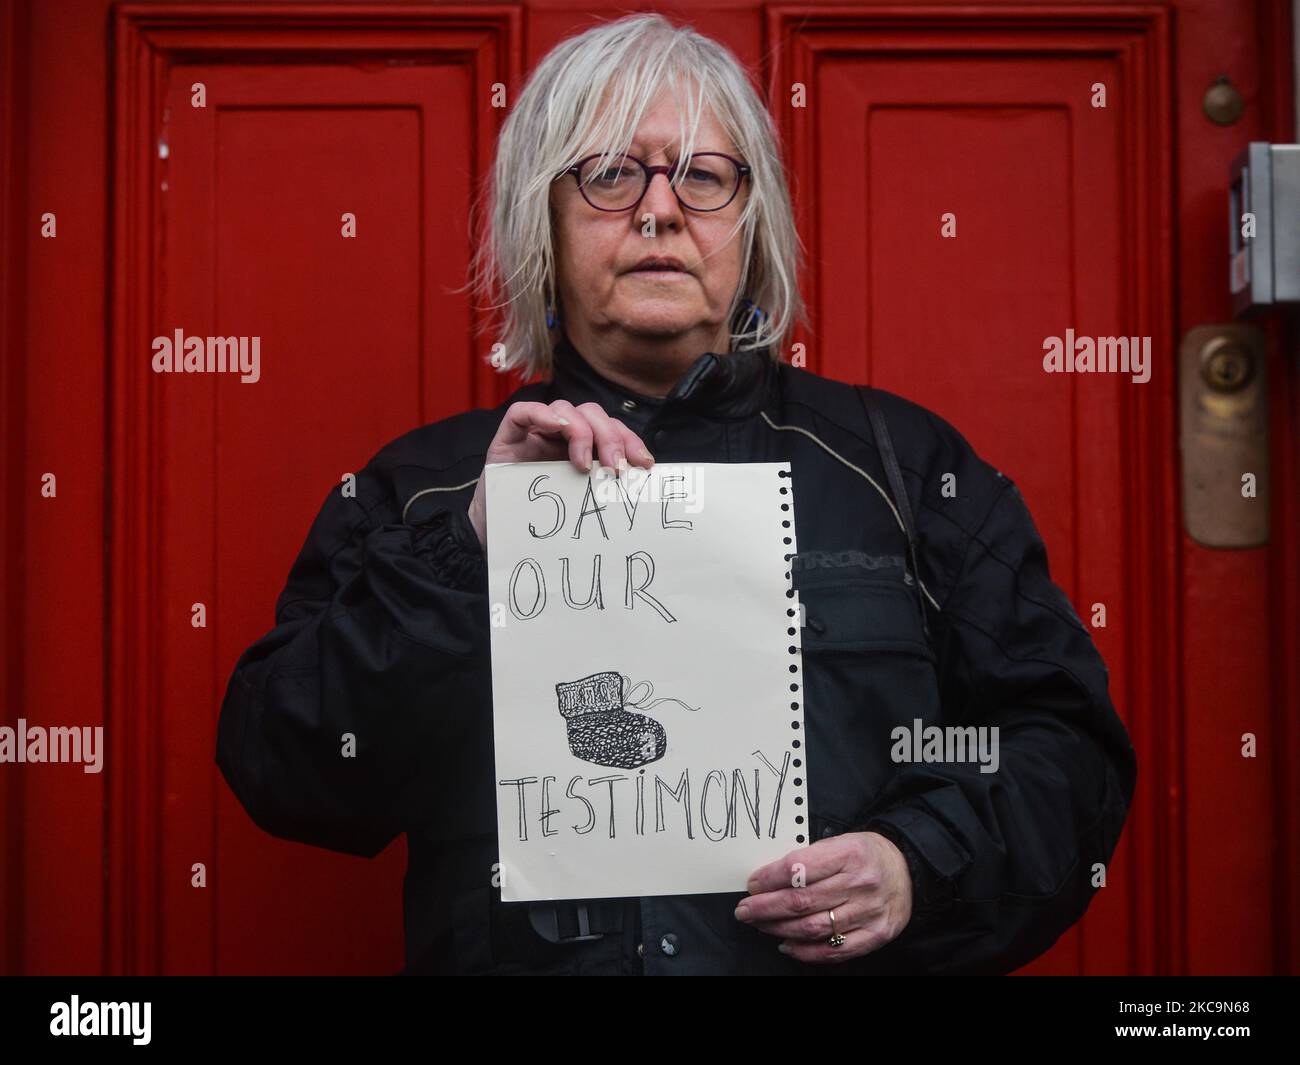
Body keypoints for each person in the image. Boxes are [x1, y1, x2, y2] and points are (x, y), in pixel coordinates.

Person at [216, 13, 1136, 975]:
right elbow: (288, 772)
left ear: (753, 219)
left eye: (703, 175)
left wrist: (916, 863)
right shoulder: (426, 489)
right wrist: (462, 556)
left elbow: (1062, 747)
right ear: (545, 218)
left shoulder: (901, 470)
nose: (659, 212)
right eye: (611, 173)